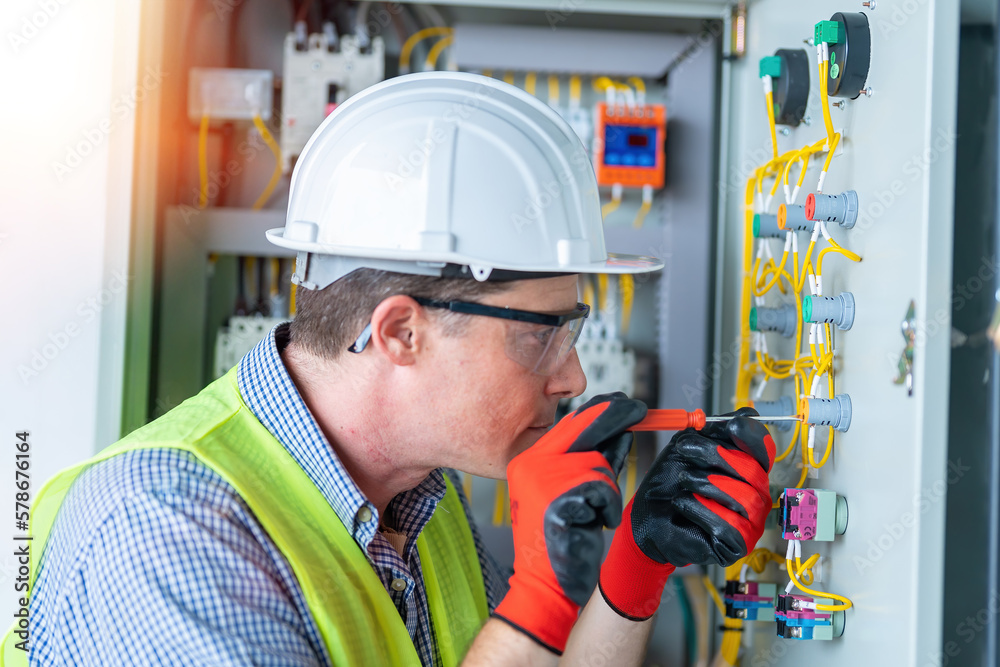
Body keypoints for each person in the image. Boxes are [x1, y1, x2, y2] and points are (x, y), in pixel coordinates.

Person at [3, 72, 773, 666]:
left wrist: (626, 578)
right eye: (545, 335)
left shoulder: (420, 501)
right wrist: (537, 601)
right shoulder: (163, 533)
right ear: (401, 331)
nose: (572, 378)